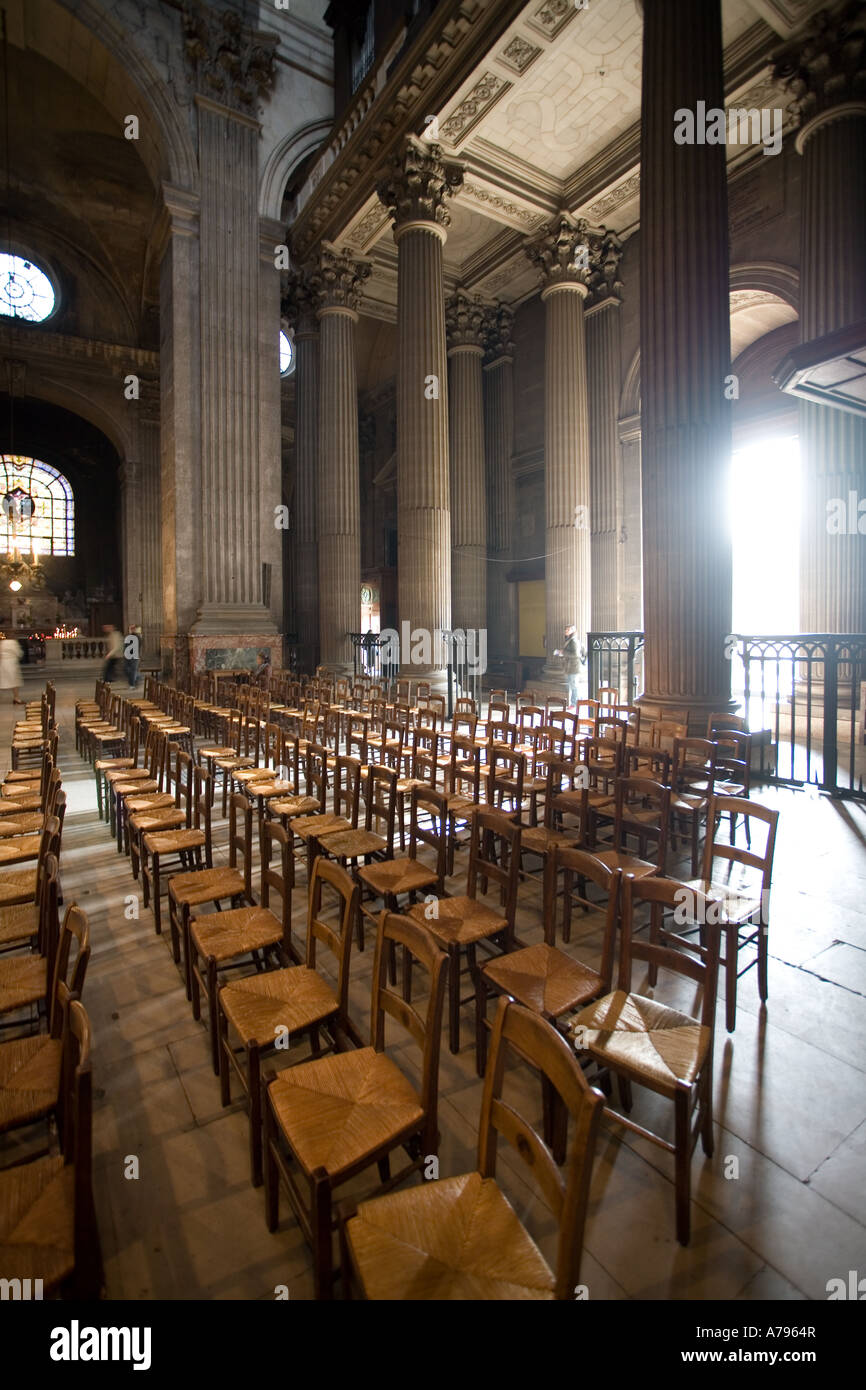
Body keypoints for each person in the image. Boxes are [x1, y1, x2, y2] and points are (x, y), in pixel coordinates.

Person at [553, 624, 586, 709]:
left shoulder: (573, 641)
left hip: (573, 667)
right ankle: (579, 700)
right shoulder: (569, 640)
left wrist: (562, 652)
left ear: (573, 631)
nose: (566, 631)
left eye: (568, 630)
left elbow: (575, 654)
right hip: (569, 666)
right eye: (566, 630)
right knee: (571, 684)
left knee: (574, 685)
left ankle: (574, 703)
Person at [0, 632, 24, 705]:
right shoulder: (13, 642)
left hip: (3, 663)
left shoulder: (2, 643)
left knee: (2, 681)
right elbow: (19, 653)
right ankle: (16, 698)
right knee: (14, 682)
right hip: (12, 663)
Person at [124, 624, 142, 689]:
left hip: (134, 656)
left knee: (133, 670)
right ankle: (138, 677)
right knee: (127, 670)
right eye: (130, 628)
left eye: (132, 628)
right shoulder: (129, 636)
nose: (130, 629)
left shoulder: (137, 636)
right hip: (128, 655)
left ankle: (132, 684)